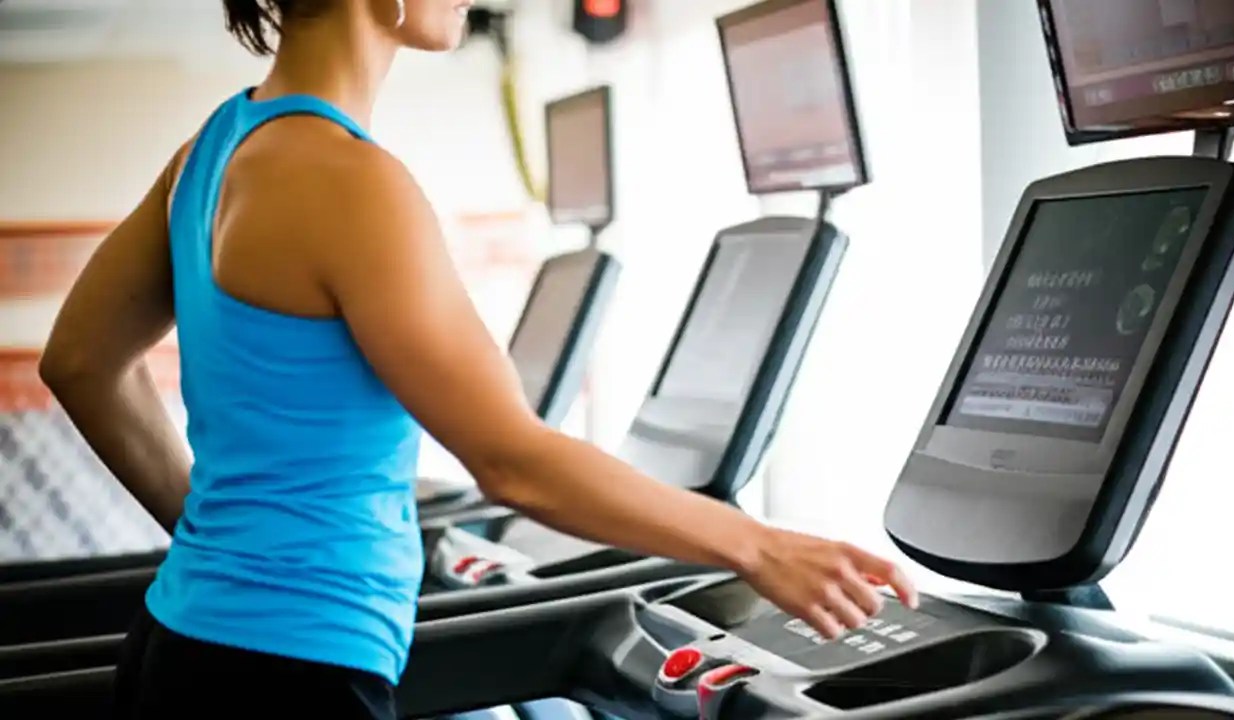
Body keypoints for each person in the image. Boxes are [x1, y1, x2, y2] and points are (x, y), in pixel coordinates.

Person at [38, 1, 919, 717]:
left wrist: (225, 538)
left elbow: (80, 360)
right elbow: (510, 462)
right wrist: (757, 547)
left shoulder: (211, 153)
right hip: (287, 672)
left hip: (182, 645)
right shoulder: (349, 180)